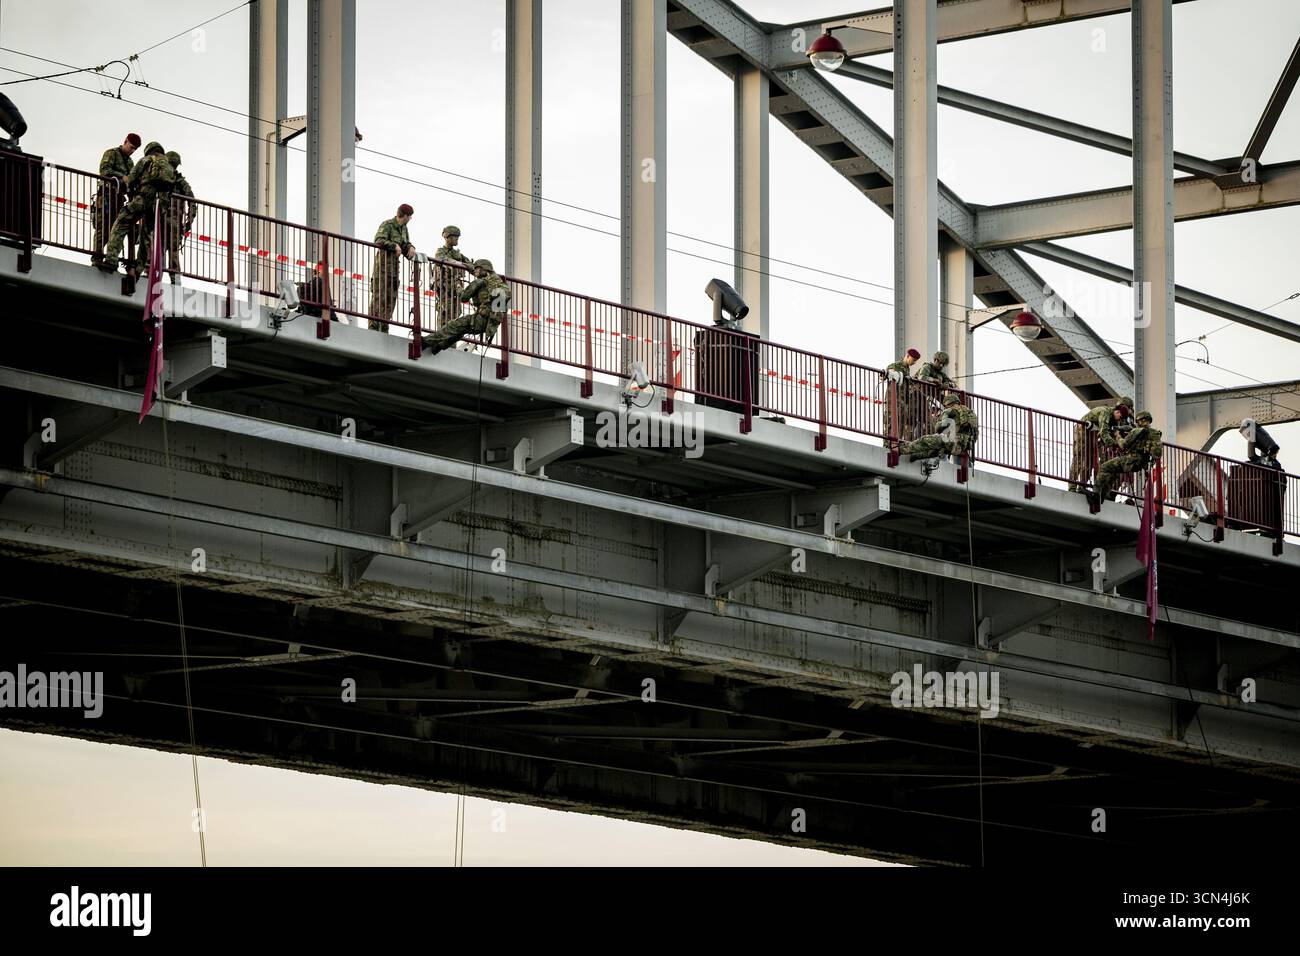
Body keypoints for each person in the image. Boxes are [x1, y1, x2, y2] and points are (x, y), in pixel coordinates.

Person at [97, 141, 175, 277]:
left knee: (120, 225)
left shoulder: (146, 160)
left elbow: (131, 179)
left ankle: (111, 260)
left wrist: (129, 186)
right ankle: (138, 269)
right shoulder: (168, 167)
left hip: (142, 200)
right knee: (146, 237)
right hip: (157, 208)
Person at [423, 259, 510, 356]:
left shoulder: (480, 282)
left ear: (484, 269)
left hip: (479, 320)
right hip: (490, 324)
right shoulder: (499, 282)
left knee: (453, 325)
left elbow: (463, 298)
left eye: (477, 269)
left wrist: (458, 286)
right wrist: (466, 265)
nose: (475, 272)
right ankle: (438, 346)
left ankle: (425, 342)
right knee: (461, 330)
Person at [1092, 410, 1162, 505]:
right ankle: (1103, 496)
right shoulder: (1154, 433)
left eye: (1138, 421)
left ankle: (1096, 494)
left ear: (1142, 420)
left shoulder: (1137, 431)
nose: (1137, 423)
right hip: (1140, 463)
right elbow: (1157, 453)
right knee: (1114, 471)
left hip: (1130, 460)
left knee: (1104, 467)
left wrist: (1117, 436)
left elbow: (1123, 445)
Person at [91, 133, 139, 266]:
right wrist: (121, 177)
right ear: (125, 141)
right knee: (103, 228)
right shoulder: (111, 153)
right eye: (131, 147)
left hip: (119, 198)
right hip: (106, 194)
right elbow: (104, 171)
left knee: (116, 230)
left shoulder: (130, 162)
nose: (132, 151)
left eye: (135, 149)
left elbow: (131, 179)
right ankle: (97, 258)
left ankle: (112, 259)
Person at [1068, 397, 1133, 492]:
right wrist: (1114, 444)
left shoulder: (1116, 419)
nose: (1120, 420)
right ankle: (1072, 486)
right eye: (1121, 416)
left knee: (1090, 461)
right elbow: (1104, 432)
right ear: (1118, 411)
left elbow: (1112, 431)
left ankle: (1082, 486)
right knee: (1080, 457)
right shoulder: (1105, 412)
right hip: (1082, 429)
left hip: (1093, 433)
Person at [368, 203, 416, 332]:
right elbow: (378, 239)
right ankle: (373, 326)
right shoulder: (387, 225)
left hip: (394, 270)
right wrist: (393, 245)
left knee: (391, 298)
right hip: (382, 268)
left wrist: (411, 247)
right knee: (379, 297)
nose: (410, 219)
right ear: (405, 216)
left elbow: (405, 244)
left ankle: (384, 326)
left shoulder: (404, 229)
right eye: (410, 217)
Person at [900, 391, 978, 465]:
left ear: (948, 403)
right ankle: (916, 456)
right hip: (962, 447)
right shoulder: (970, 413)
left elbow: (939, 427)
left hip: (951, 441)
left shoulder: (950, 410)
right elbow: (976, 434)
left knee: (925, 440)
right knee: (937, 450)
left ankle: (902, 449)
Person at [432, 224, 473, 330]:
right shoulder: (441, 251)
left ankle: (451, 343)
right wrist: (456, 263)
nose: (457, 239)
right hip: (445, 290)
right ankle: (441, 338)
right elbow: (442, 259)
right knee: (445, 313)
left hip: (455, 290)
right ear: (448, 237)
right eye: (455, 237)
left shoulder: (457, 254)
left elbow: (471, 265)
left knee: (456, 314)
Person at [162, 150, 196, 280]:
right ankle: (174, 278)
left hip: (161, 219)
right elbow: (192, 201)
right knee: (172, 250)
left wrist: (189, 221)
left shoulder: (161, 177)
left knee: (156, 248)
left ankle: (150, 273)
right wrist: (189, 221)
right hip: (173, 221)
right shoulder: (180, 182)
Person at [881, 347, 920, 440]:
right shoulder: (896, 365)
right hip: (893, 399)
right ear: (907, 356)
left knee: (900, 423)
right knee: (890, 421)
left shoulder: (906, 369)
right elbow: (887, 374)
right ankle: (887, 443)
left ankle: (897, 441)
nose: (914, 362)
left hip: (902, 400)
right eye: (913, 360)